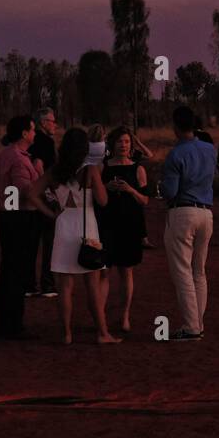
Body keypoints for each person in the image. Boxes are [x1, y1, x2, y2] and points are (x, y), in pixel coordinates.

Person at [28, 128, 118, 345]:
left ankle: (66, 334)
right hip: (86, 226)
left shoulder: (53, 171)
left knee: (64, 286)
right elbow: (103, 201)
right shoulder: (90, 171)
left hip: (63, 225)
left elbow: (31, 193)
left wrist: (51, 212)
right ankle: (102, 333)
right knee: (92, 284)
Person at [162, 106, 216, 341]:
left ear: (175, 126)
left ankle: (192, 326)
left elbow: (170, 191)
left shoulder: (176, 155)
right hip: (206, 212)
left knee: (182, 272)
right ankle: (197, 322)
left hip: (183, 211)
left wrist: (162, 188)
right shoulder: (208, 149)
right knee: (198, 271)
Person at [0, 116, 40, 340]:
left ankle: (7, 322)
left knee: (9, 270)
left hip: (7, 217)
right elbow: (27, 190)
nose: (35, 133)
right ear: (24, 133)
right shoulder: (18, 159)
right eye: (32, 129)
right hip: (18, 218)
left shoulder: (4, 154)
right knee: (16, 272)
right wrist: (42, 177)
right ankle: (12, 325)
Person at [100, 125, 147, 335]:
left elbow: (145, 200)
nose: (124, 145)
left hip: (130, 224)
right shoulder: (104, 167)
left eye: (127, 141)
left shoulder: (138, 169)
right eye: (120, 141)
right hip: (107, 224)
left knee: (126, 271)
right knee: (104, 272)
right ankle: (100, 317)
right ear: (112, 144)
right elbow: (94, 195)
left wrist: (130, 189)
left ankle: (124, 315)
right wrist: (106, 188)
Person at [28, 106, 59, 298]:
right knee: (49, 242)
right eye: (52, 120)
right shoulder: (46, 142)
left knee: (31, 242)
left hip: (30, 198)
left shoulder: (29, 141)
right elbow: (39, 166)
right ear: (43, 122)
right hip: (45, 197)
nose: (55, 124)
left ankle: (29, 284)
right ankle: (47, 284)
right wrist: (48, 190)